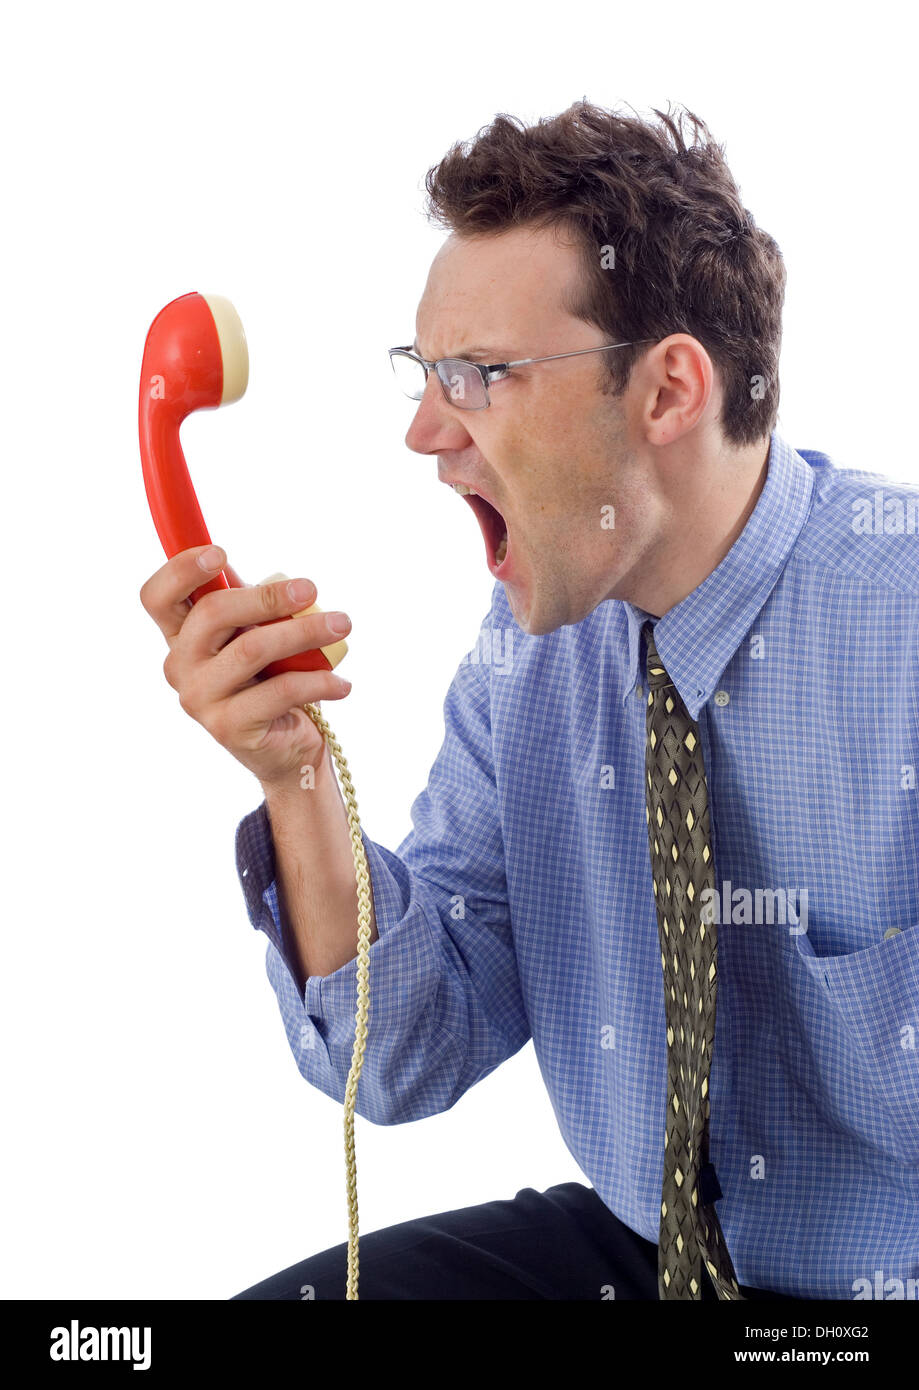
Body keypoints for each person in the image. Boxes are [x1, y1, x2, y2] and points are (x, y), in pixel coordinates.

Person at [140, 100, 919, 1301]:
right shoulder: (528, 656)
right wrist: (293, 776)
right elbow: (404, 1048)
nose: (423, 430)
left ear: (666, 393)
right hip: (639, 1256)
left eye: (478, 375)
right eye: (424, 372)